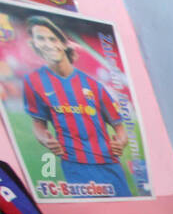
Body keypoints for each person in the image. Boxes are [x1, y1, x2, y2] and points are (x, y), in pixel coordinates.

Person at [21, 15, 132, 198]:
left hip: (109, 163)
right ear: (35, 44)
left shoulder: (93, 85)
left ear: (63, 44)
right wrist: (45, 139)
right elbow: (38, 124)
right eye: (41, 38)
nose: (48, 44)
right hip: (74, 166)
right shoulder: (32, 82)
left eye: (52, 38)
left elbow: (119, 126)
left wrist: (120, 142)